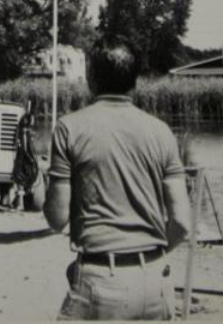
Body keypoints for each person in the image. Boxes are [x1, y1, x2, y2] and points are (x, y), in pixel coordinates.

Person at [44, 39, 193, 319]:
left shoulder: (69, 128)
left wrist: (45, 184)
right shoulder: (162, 132)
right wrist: (152, 257)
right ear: (134, 82)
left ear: (91, 78)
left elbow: (56, 218)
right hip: (156, 281)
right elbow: (182, 222)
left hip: (101, 277)